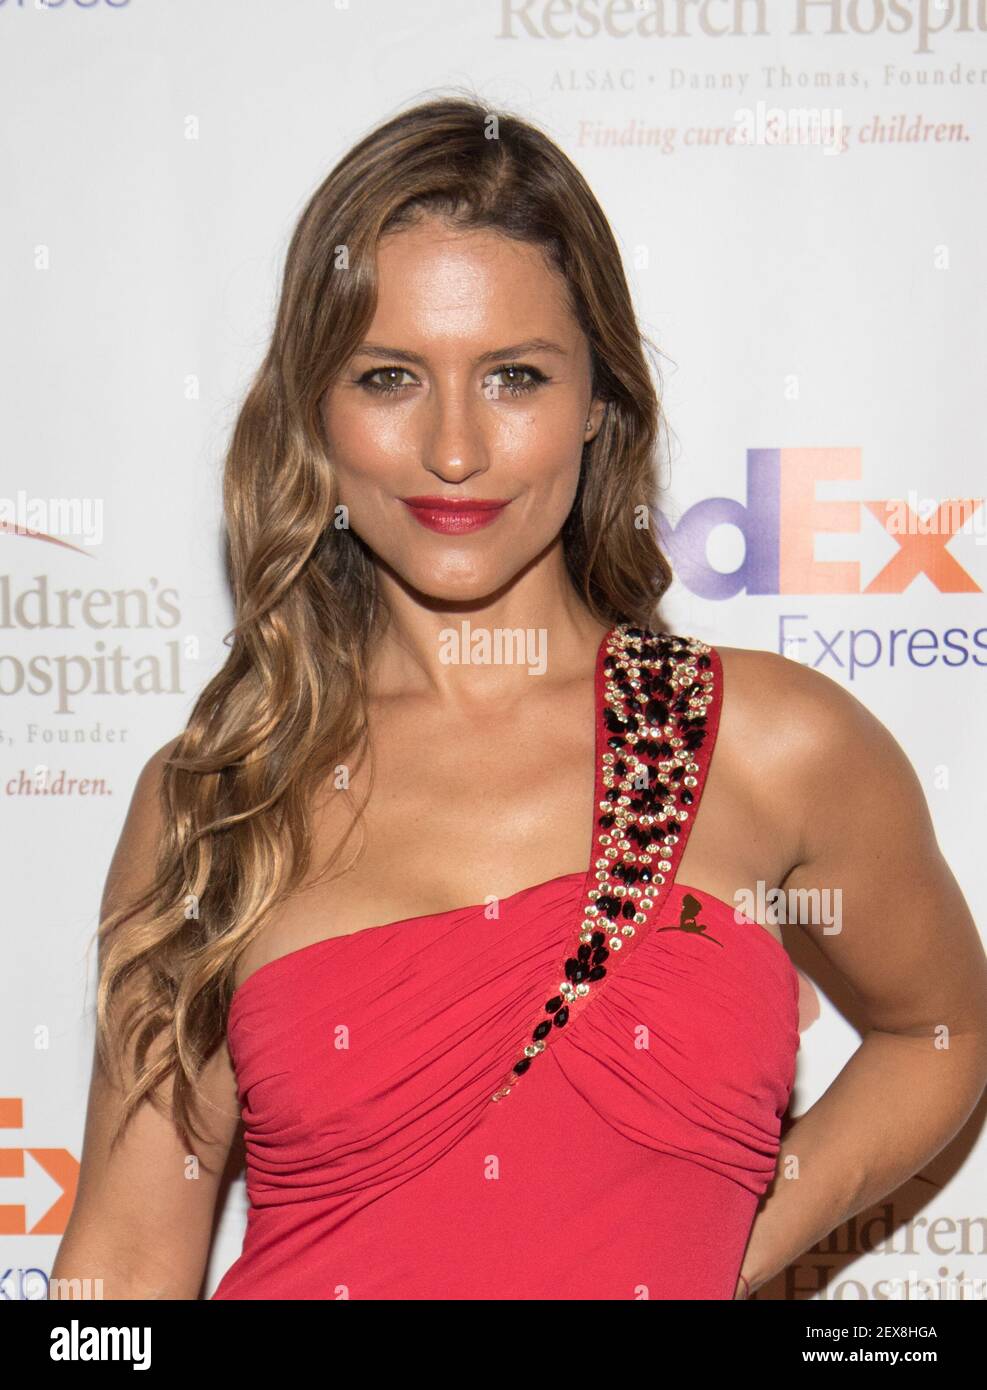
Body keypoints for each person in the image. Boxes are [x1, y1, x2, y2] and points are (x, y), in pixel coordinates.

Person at [51, 95, 987, 1301]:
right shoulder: (228, 789)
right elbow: (119, 1272)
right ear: (313, 414)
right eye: (388, 376)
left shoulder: (765, 743)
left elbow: (945, 1032)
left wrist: (737, 1241)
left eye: (513, 377)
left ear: (599, 400)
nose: (453, 450)